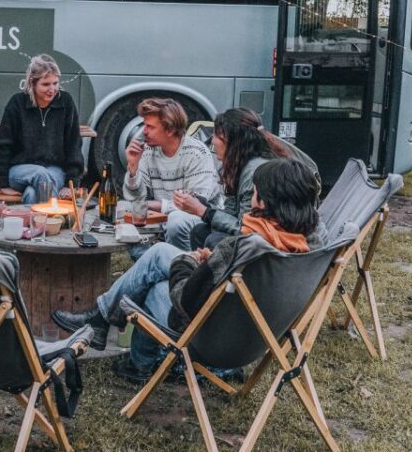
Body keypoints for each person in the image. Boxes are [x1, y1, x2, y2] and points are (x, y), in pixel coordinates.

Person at [52, 157, 324, 382]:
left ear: (264, 202)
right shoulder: (310, 246)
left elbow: (185, 300)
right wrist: (210, 264)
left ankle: (136, 361)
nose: (251, 199)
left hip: (212, 339)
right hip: (260, 336)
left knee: (153, 286)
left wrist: (190, 263)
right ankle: (103, 322)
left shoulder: (245, 246)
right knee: (159, 252)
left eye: (254, 192)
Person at [172, 107, 317, 249]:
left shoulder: (254, 172)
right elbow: (232, 212)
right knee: (200, 232)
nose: (212, 141)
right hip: (260, 233)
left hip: (272, 238)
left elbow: (247, 227)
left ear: (232, 140)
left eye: (216, 135)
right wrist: (203, 205)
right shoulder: (240, 163)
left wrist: (202, 211)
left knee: (214, 240)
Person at [122, 98, 217, 259]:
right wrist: (133, 168)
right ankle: (153, 261)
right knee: (123, 208)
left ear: (170, 130)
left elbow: (197, 205)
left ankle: (183, 264)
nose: (144, 131)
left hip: (199, 219)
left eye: (150, 127)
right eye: (144, 125)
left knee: (176, 220)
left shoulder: (196, 153)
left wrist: (159, 206)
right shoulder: (148, 151)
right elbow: (135, 198)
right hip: (163, 216)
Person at [0, 54, 85, 204]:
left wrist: (72, 181)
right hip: (20, 170)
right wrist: (2, 183)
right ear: (32, 83)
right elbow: (4, 144)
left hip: (55, 170)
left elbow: (73, 143)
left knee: (32, 193)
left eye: (55, 83)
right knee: (40, 174)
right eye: (46, 84)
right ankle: (53, 217)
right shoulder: (17, 103)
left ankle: (35, 219)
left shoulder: (65, 102)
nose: (52, 89)